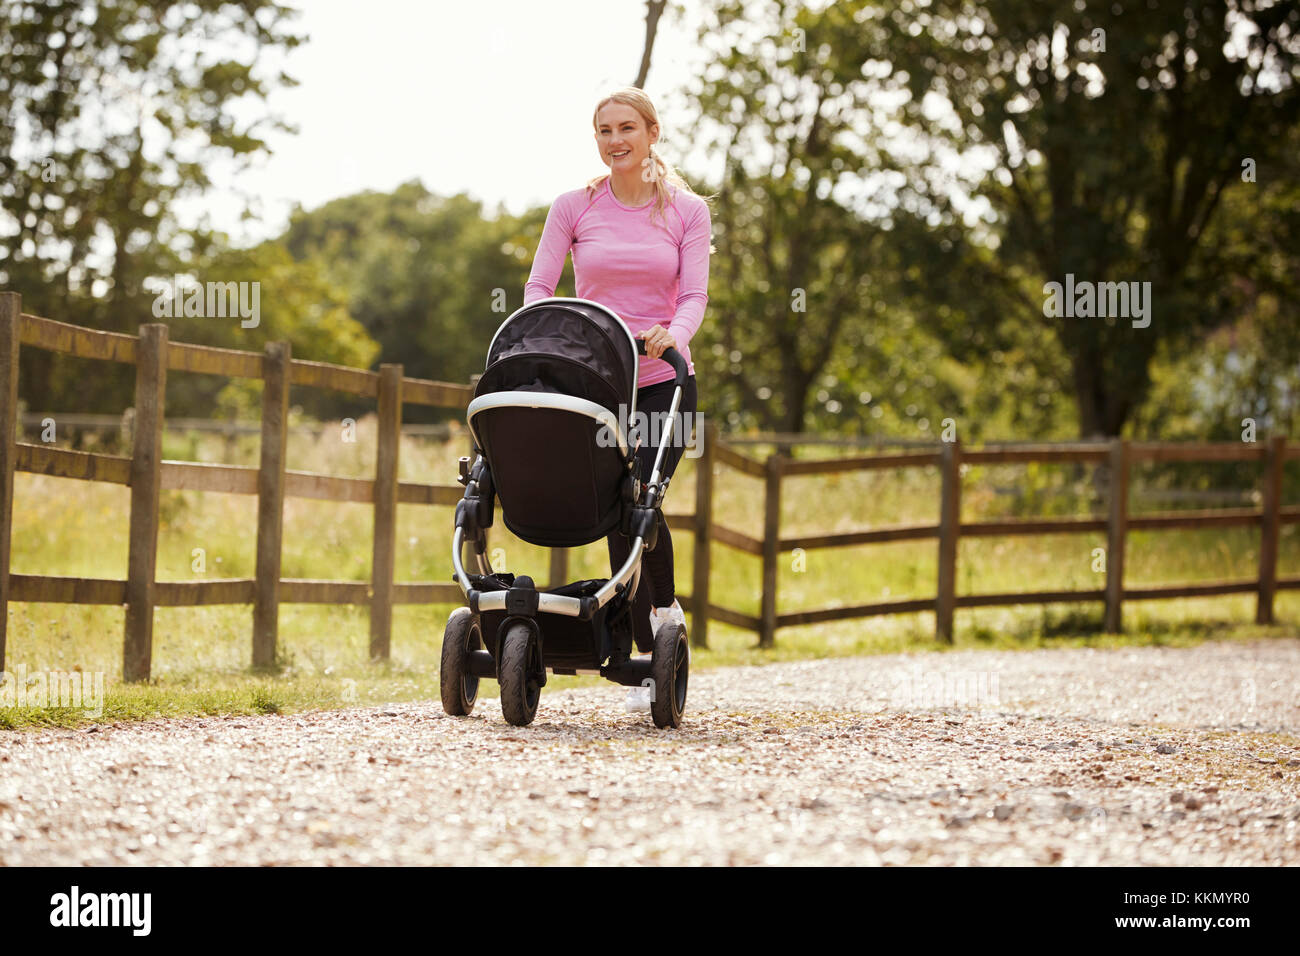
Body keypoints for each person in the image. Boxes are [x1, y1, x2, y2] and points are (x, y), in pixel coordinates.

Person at [522, 86, 713, 657]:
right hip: (597, 383)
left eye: (627, 128)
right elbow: (538, 287)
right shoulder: (573, 206)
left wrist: (671, 337)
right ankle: (629, 645)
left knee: (639, 499)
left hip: (663, 383)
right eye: (605, 131)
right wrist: (550, 331)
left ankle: (663, 614)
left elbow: (695, 296)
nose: (615, 141)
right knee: (611, 505)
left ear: (652, 133)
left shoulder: (688, 211)